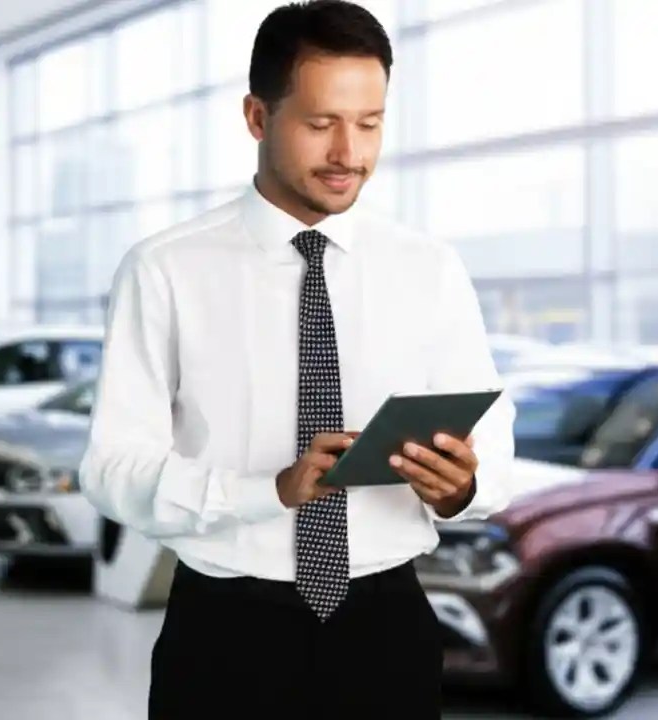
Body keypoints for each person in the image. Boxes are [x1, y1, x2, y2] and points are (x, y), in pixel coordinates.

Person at [77, 1, 516, 717]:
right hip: (225, 632)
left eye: (370, 123)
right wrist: (267, 490)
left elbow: (492, 441)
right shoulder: (166, 270)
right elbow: (110, 470)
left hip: (387, 626)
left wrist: (463, 486)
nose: (350, 152)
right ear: (257, 117)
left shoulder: (428, 268)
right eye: (321, 124)